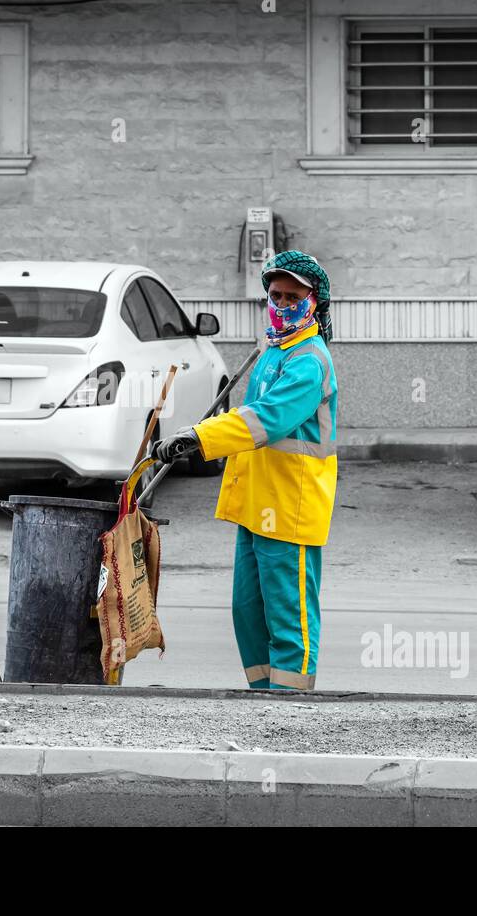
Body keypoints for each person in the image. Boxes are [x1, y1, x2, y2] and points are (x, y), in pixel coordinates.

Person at [152, 250, 337, 690]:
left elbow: (267, 420)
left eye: (294, 296)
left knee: (287, 610)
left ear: (316, 302)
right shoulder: (274, 352)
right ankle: (262, 694)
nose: (283, 303)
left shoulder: (309, 360)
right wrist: (200, 433)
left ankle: (289, 700)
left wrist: (199, 438)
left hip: (289, 504)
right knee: (249, 610)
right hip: (257, 502)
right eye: (275, 295)